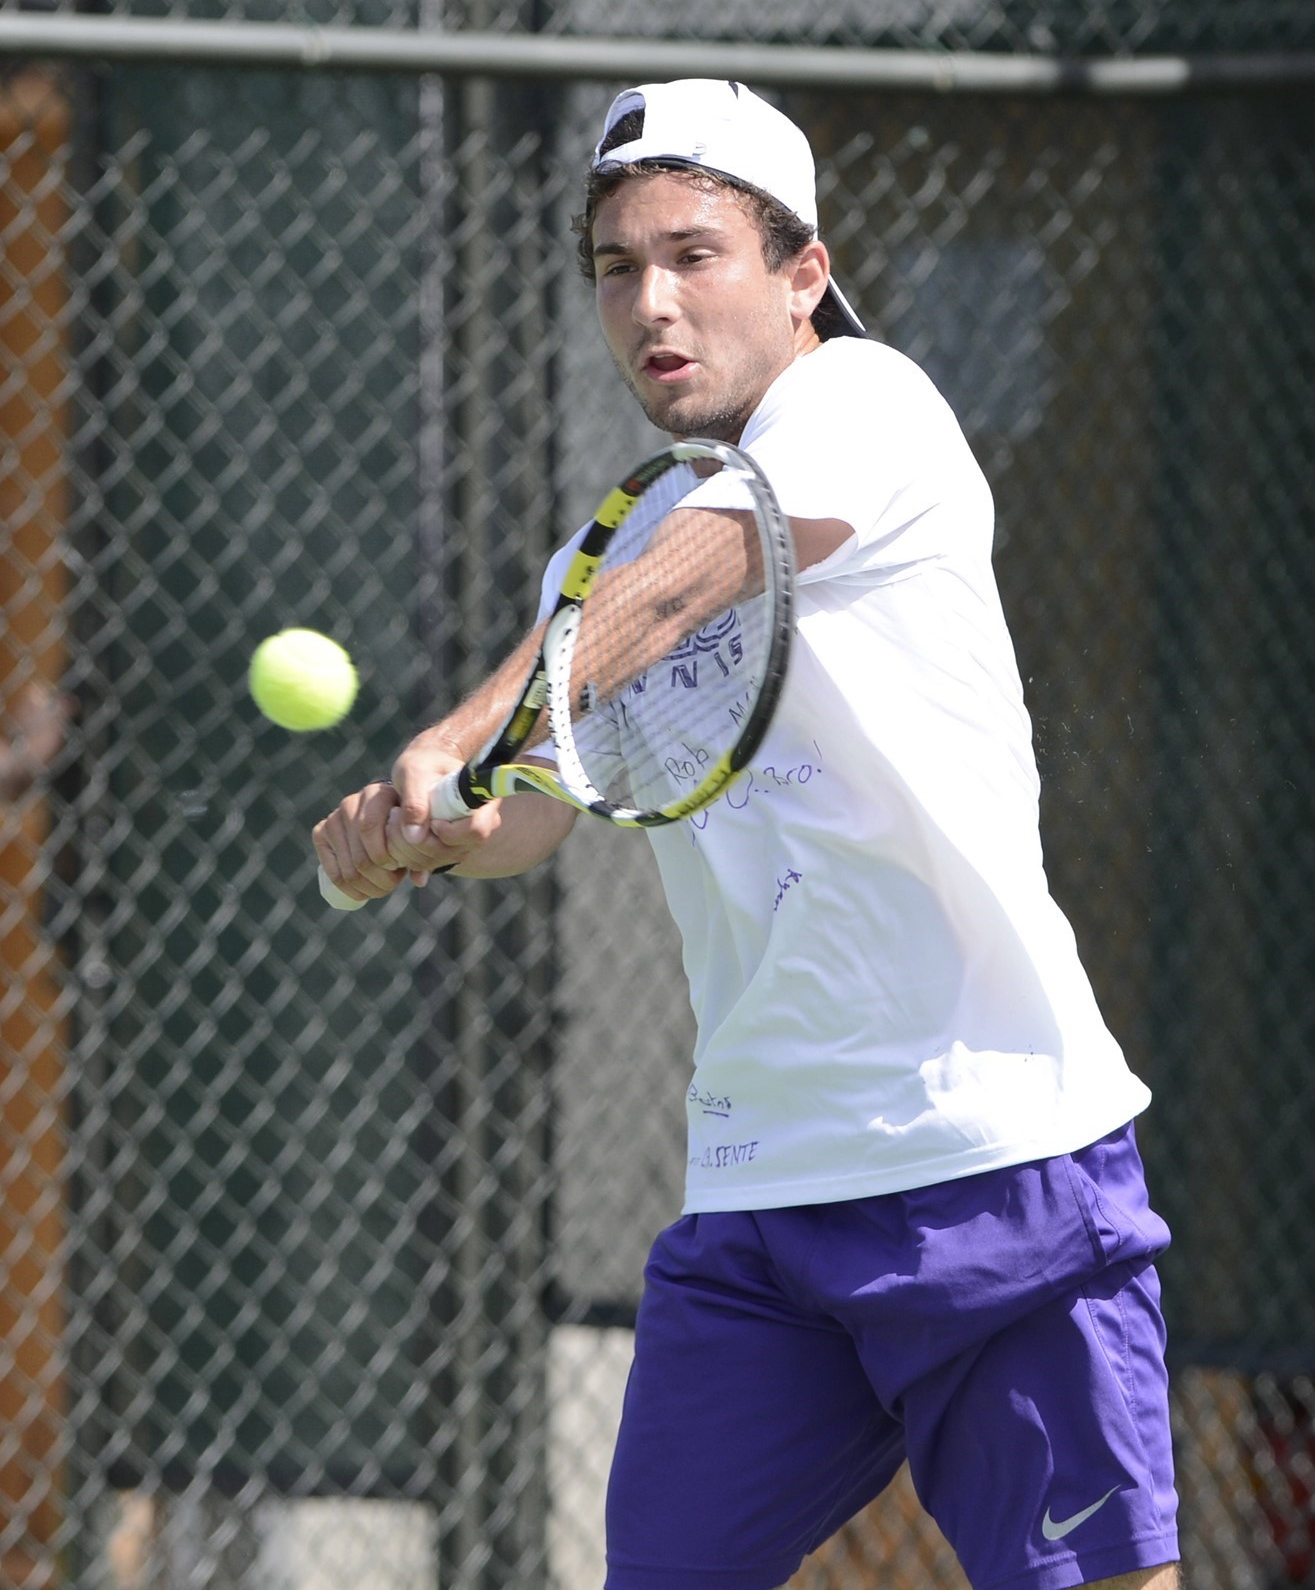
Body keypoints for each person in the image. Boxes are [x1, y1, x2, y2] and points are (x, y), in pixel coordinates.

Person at [313, 79, 1180, 1590]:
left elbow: (699, 581)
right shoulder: (604, 563)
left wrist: (465, 734)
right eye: (614, 266)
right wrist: (423, 833)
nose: (651, 301)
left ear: (802, 273)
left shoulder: (868, 407)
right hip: (762, 1199)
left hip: (991, 1162)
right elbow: (533, 815)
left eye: (693, 253)